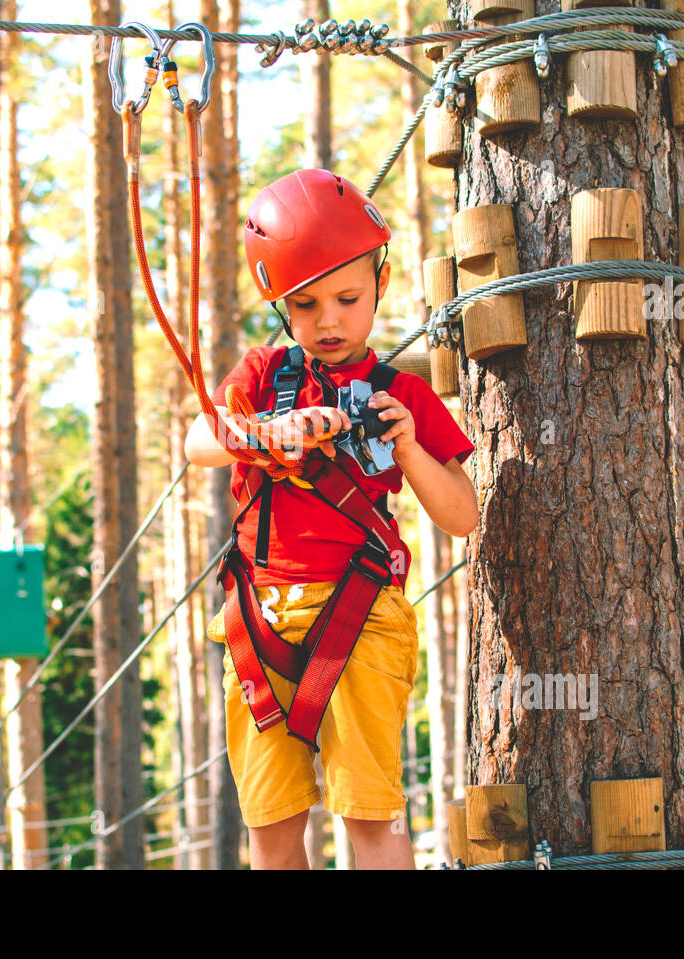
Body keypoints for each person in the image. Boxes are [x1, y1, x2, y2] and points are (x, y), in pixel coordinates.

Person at [184, 168, 479, 869]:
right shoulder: (264, 376)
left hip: (361, 612)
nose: (330, 321)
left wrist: (407, 445)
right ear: (283, 307)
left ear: (380, 281)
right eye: (306, 304)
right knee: (273, 824)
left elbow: (462, 514)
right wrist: (267, 433)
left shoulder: (398, 392)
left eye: (348, 298)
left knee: (370, 813)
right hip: (260, 622)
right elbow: (199, 441)